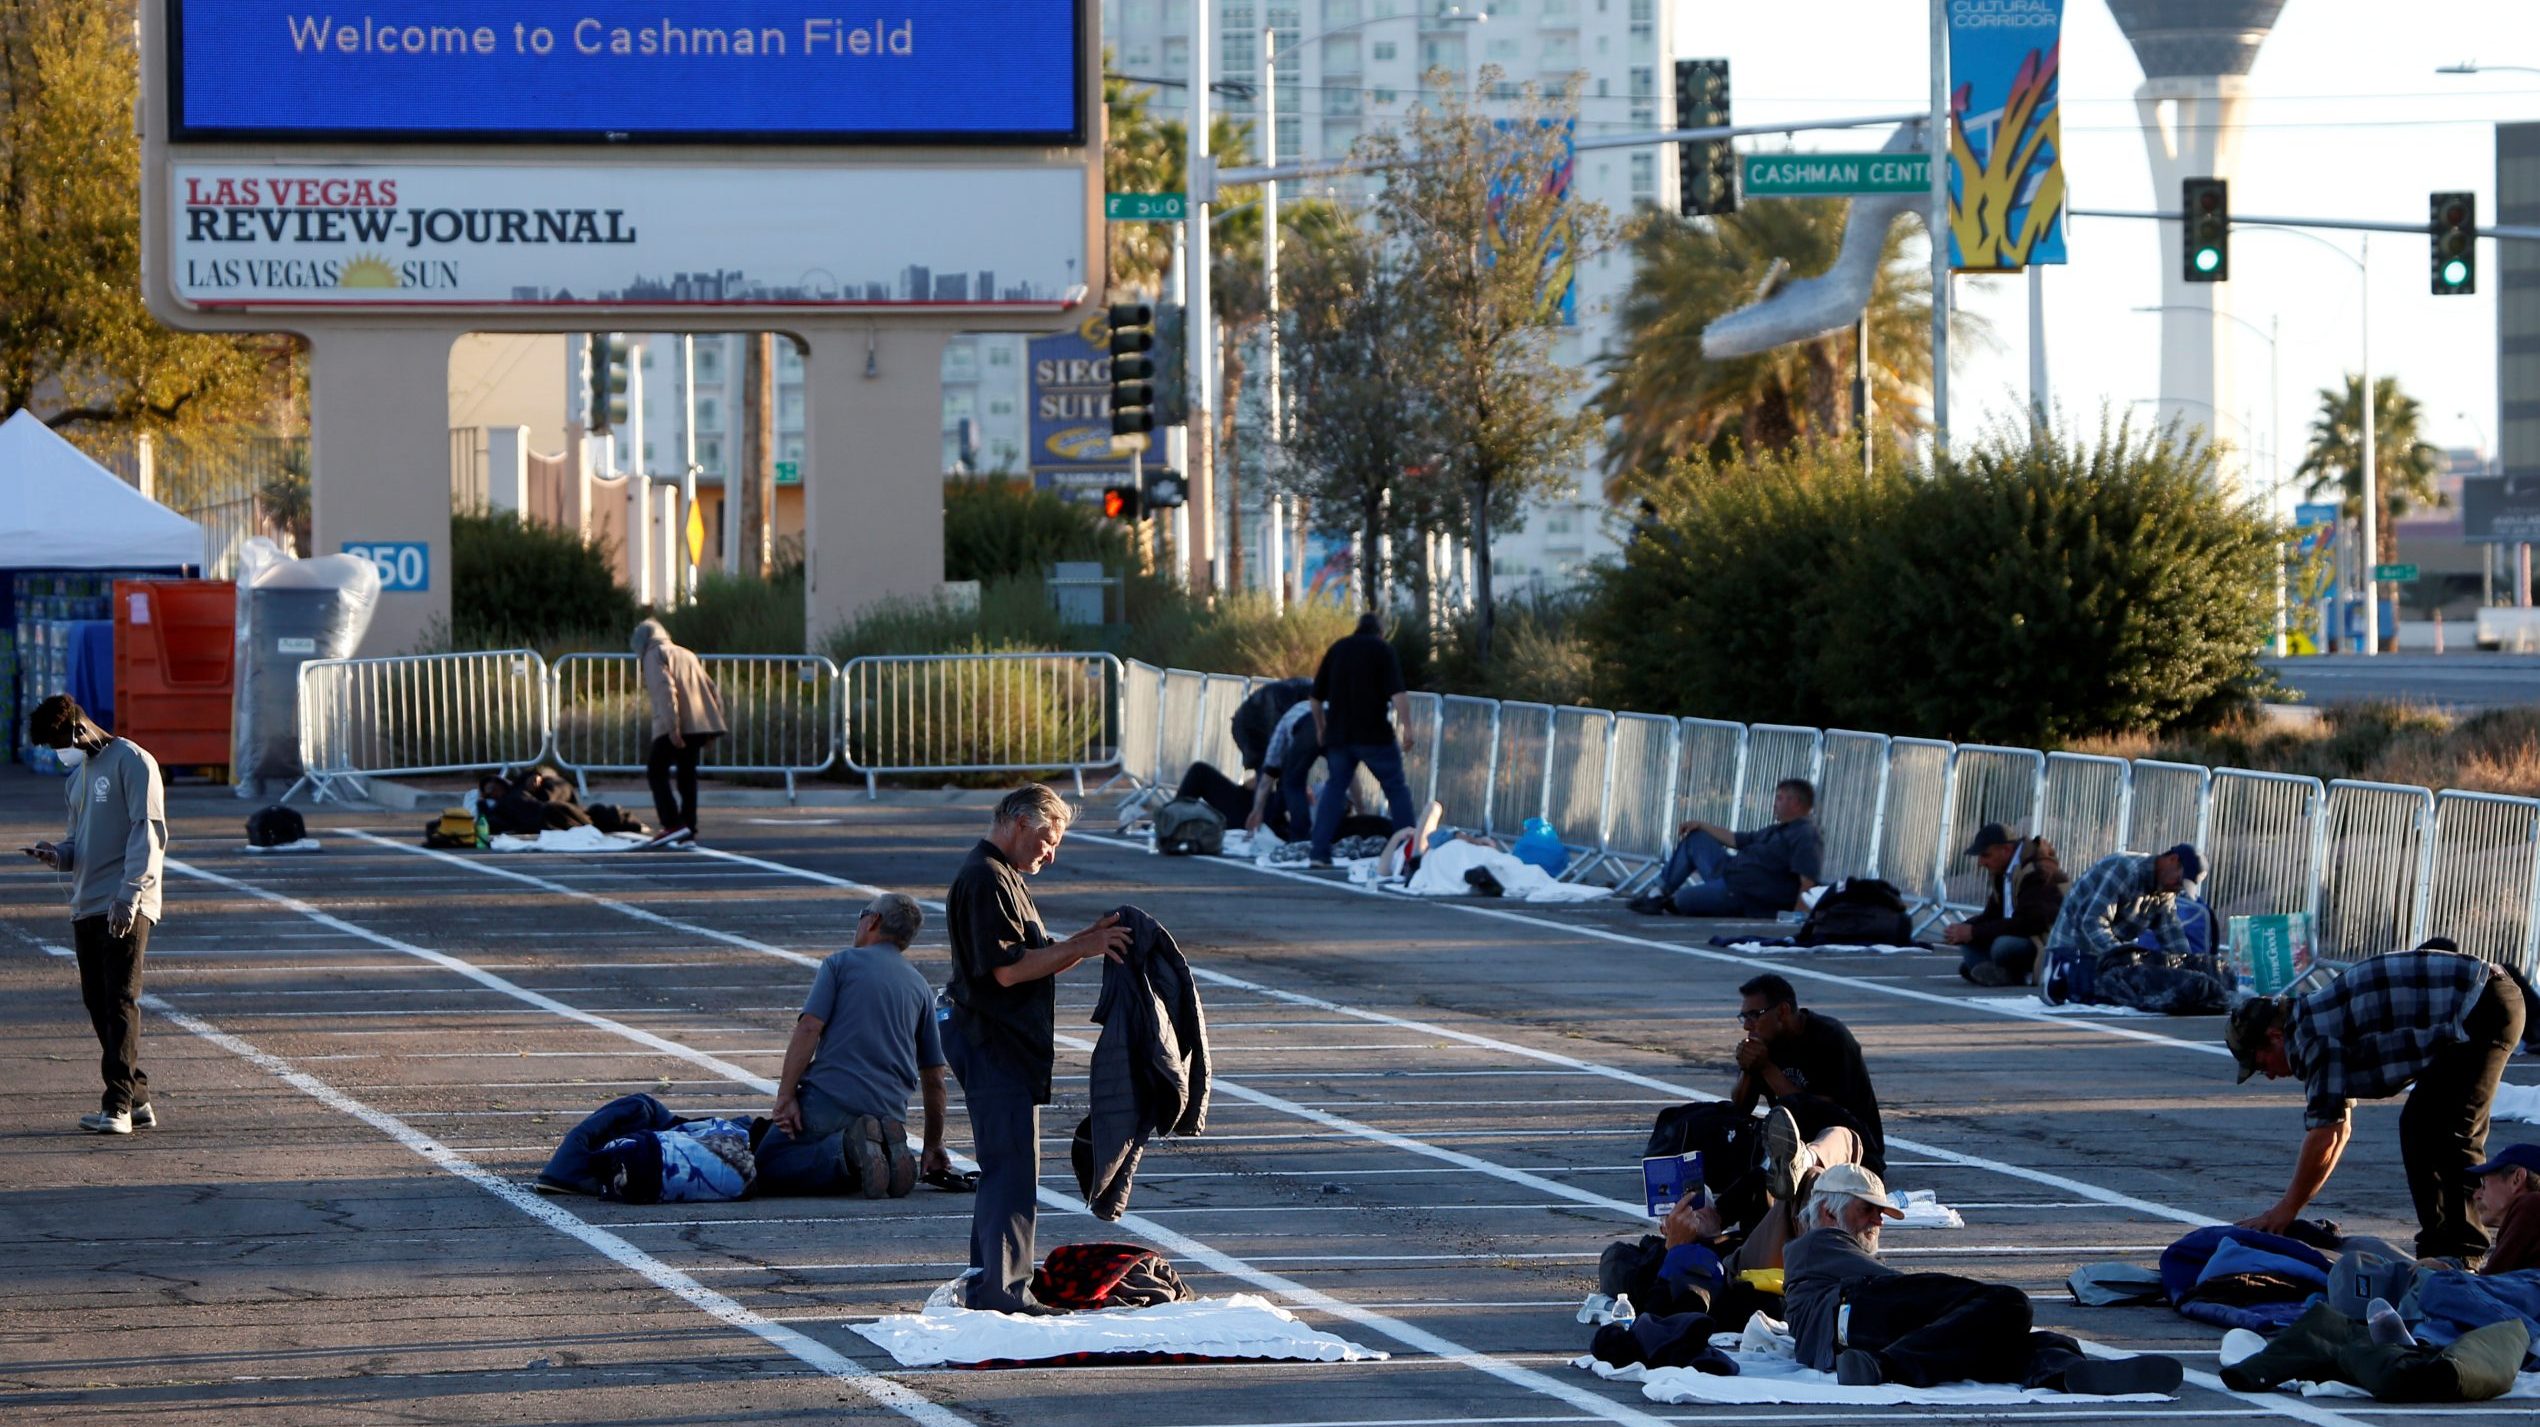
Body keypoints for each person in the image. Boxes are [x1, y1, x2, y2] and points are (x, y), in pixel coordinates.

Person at [944, 786, 1132, 1313]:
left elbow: (1033, 954)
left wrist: (1084, 941)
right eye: (1048, 841)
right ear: (1018, 822)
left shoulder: (1002, 875)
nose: (1050, 855)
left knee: (1008, 1168)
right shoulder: (985, 878)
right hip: (991, 1041)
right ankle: (1002, 1292)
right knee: (1010, 1170)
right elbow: (1007, 971)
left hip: (1001, 1042)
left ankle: (991, 1282)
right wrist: (1083, 947)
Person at [2229, 945, 2528, 1264]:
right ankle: (2446, 1248)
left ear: (2275, 1036)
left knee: (2445, 1129)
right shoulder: (2313, 1024)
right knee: (2420, 1124)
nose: (2268, 1075)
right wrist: (2289, 1207)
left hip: (2483, 1005)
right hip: (2481, 1002)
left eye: (2260, 1064)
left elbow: (2324, 1136)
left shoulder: (2311, 1037)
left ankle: (2461, 1253)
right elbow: (2338, 1131)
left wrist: (2285, 1209)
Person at [1782, 1163, 2183, 1394]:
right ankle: (1883, 1367)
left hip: (1866, 1332)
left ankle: (2063, 1372)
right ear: (1830, 1212)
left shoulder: (1833, 1253)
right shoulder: (1818, 1243)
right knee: (2007, 1304)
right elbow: (1898, 1288)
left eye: (1881, 1213)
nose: (1877, 1222)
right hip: (1853, 1317)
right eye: (1866, 1210)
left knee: (2040, 1341)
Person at [22, 695, 167, 1136]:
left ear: (80, 729)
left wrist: (131, 894)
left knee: (121, 999)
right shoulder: (76, 779)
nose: (60, 754)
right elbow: (78, 840)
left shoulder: (134, 762)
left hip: (124, 901)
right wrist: (58, 854)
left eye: (60, 744)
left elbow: (148, 832)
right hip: (86, 903)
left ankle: (117, 1105)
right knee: (97, 1002)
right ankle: (137, 1098)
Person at [758, 893, 951, 1199]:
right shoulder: (920, 987)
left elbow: (809, 1028)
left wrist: (785, 1096)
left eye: (863, 914)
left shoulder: (840, 964)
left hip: (830, 1099)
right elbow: (935, 1077)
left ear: (873, 921)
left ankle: (850, 1151)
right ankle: (876, 1151)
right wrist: (933, 1144)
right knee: (863, 1170)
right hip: (888, 1111)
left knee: (768, 1163)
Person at [1307, 614, 1418, 868]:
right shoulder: (1383, 650)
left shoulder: (1338, 648)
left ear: (1357, 628)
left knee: (1334, 790)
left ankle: (1319, 852)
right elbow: (1398, 694)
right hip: (1374, 734)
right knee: (1396, 788)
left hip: (1339, 735)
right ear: (1380, 632)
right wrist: (1408, 728)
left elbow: (1315, 698)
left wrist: (1321, 728)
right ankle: (1408, 853)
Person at [1628, 779, 1822, 918]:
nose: (1774, 804)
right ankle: (1658, 892)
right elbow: (1734, 839)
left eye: (1779, 798)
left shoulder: (1805, 835)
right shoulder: (1776, 829)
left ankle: (1672, 900)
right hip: (1729, 874)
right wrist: (1701, 824)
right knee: (1697, 838)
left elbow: (1807, 881)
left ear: (1795, 803)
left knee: (1681, 901)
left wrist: (1798, 916)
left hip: (1745, 894)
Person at [2039, 844, 2201, 1002]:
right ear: (2172, 859)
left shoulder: (2166, 890)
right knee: (2098, 994)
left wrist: (2190, 970)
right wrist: (2123, 957)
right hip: (2072, 950)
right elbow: (2092, 922)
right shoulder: (2125, 870)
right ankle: (2059, 976)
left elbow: (2172, 933)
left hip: (2104, 956)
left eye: (2182, 887)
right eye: (2179, 881)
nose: (2178, 888)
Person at [630, 618, 727, 844]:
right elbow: (712, 690)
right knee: (687, 775)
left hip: (674, 724)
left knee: (656, 771)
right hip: (698, 723)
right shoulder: (686, 653)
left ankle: (672, 823)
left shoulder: (654, 655)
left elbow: (665, 691)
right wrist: (713, 726)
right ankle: (688, 826)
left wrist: (672, 727)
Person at [1944, 825, 2067, 986]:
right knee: (1968, 942)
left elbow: (2029, 924)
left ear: (2006, 850)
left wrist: (1973, 931)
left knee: (2002, 946)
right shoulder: (2004, 871)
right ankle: (1997, 973)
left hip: (2044, 942)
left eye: (1986, 855)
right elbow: (1992, 915)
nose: (1981, 863)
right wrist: (1960, 929)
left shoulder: (2038, 871)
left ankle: (2012, 975)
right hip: (2020, 933)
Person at [1244, 694, 1324, 843]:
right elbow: (1350, 776)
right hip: (1337, 721)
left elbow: (1268, 775)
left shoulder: (1286, 720)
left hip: (1308, 725)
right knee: (1340, 778)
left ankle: (1300, 840)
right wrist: (1361, 809)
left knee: (1292, 783)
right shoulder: (1324, 704)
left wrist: (1257, 810)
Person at [2469, 1143, 2540, 1275]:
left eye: (2484, 1184)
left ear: (2517, 1179)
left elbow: (2490, 1280)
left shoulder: (2532, 1205)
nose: (2476, 1195)